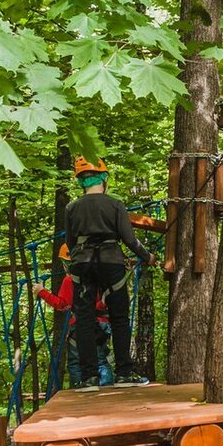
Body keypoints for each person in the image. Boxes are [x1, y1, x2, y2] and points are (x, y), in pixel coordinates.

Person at [65, 157, 156, 392]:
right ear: (105, 179)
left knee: (84, 318)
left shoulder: (72, 208)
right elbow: (128, 239)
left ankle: (89, 378)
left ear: (81, 182)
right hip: (110, 261)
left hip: (82, 264)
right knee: (119, 317)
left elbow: (70, 242)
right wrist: (147, 257)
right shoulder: (115, 205)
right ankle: (124, 373)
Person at [33, 243, 114, 388]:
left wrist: (42, 292)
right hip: (103, 323)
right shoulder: (98, 276)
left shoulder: (69, 280)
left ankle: (80, 386)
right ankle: (107, 387)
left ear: (66, 264)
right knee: (101, 358)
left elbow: (62, 304)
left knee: (76, 361)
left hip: (82, 325)